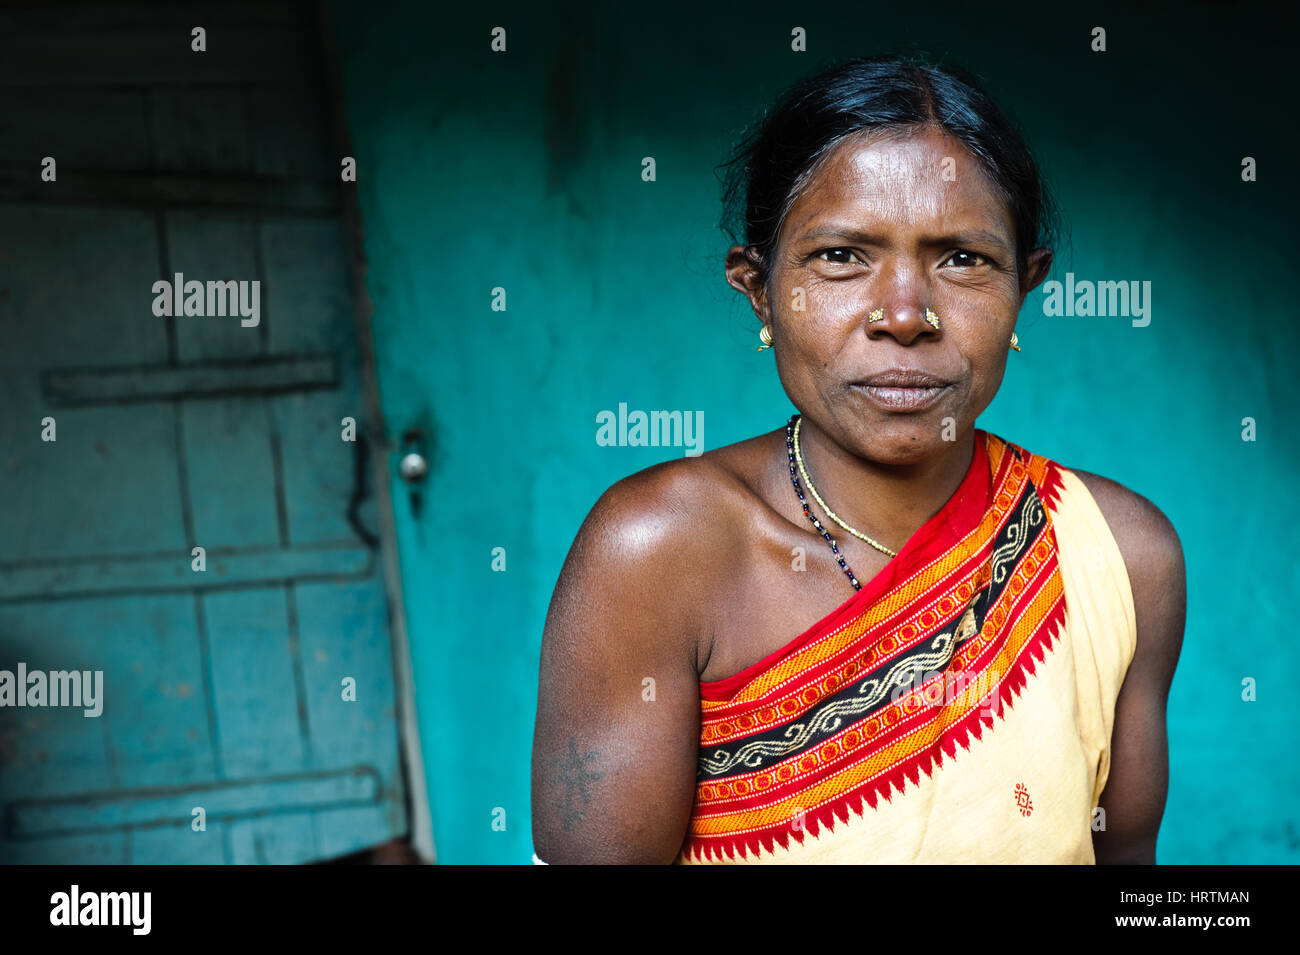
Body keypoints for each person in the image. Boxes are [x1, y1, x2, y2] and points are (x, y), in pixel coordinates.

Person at [530, 54, 1185, 864]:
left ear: (1025, 284)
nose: (904, 315)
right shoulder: (657, 554)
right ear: (759, 289)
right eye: (841, 256)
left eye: (963, 259)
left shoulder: (1116, 557)